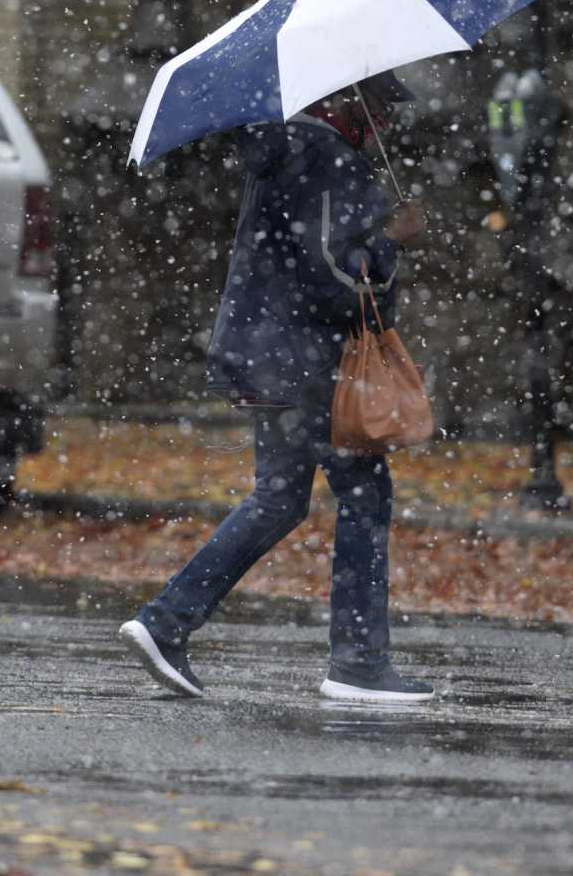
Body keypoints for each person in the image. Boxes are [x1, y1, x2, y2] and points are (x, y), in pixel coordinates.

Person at [119, 75, 433, 702]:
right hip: (304, 359)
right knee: (365, 493)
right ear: (348, 100)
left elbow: (296, 259)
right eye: (380, 108)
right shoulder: (323, 157)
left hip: (270, 356)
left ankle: (165, 622)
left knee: (280, 499)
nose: (386, 125)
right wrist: (391, 243)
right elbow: (336, 274)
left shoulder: (284, 152)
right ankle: (359, 663)